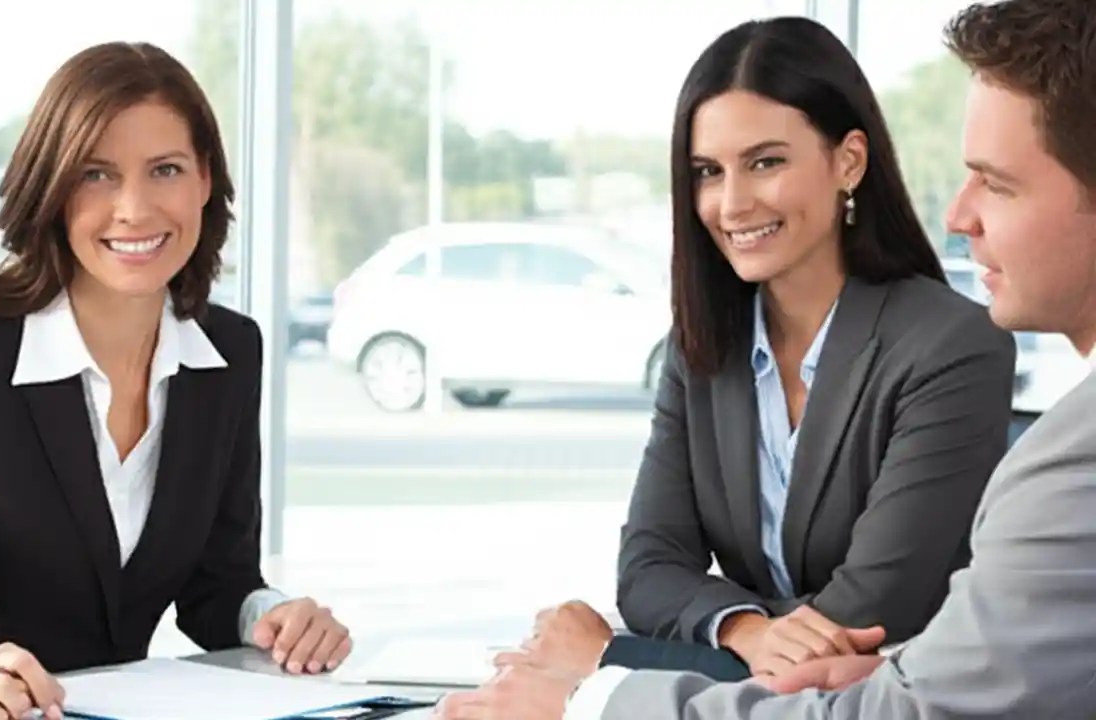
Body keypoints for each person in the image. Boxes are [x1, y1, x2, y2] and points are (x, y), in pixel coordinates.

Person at [434, 0, 1096, 717]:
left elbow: (866, 618)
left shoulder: (953, 347)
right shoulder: (706, 345)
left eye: (766, 163)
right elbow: (650, 568)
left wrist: (606, 661)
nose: (733, 201)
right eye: (707, 171)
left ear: (848, 161)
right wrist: (747, 628)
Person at [0, 42, 351, 720]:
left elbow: (218, 585)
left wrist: (272, 618)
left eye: (165, 169)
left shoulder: (227, 353)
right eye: (96, 174)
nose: (134, 208)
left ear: (205, 179)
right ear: (52, 186)